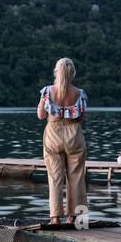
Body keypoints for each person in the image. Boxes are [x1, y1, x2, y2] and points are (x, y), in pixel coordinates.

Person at [36, 57, 88, 225]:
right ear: (72, 73)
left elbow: (41, 115)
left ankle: (55, 218)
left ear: (56, 72)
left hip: (53, 134)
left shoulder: (48, 91)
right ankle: (74, 217)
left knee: (54, 177)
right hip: (74, 135)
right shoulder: (79, 93)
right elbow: (80, 117)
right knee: (77, 177)